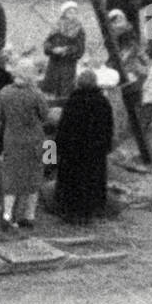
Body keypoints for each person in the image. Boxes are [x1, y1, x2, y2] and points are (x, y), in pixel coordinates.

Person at [0, 59, 49, 230]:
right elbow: (45, 116)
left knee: (11, 178)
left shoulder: (4, 92)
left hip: (12, 140)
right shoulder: (36, 94)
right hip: (36, 140)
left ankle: (7, 216)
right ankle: (28, 217)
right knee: (34, 177)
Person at [54, 68, 115, 224]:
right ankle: (90, 212)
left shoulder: (73, 101)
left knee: (72, 181)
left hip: (73, 151)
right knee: (91, 181)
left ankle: (70, 211)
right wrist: (106, 147)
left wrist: (58, 148)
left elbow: (63, 127)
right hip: (94, 151)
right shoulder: (103, 102)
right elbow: (109, 127)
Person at [41, 2, 86, 98]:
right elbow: (46, 43)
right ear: (64, 13)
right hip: (53, 66)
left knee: (65, 94)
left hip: (68, 67)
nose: (72, 15)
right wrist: (52, 49)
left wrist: (66, 50)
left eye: (74, 12)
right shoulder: (56, 27)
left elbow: (80, 49)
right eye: (70, 12)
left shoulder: (79, 30)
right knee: (50, 94)